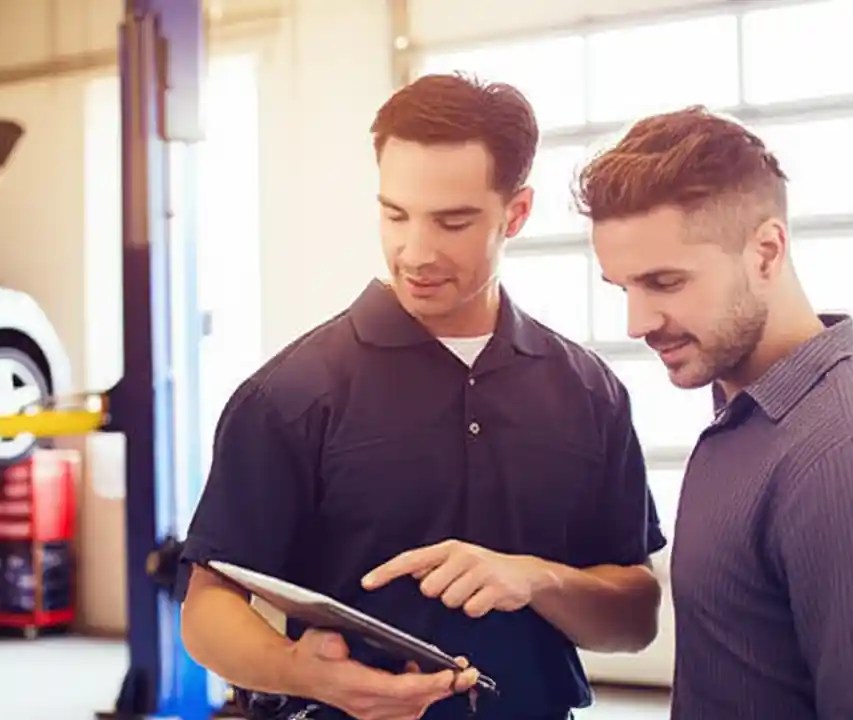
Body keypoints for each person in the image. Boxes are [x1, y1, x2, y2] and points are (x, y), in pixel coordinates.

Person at [176, 73, 666, 720]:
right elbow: (207, 612)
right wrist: (306, 673)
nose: (415, 251)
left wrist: (537, 578)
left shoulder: (588, 393)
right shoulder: (289, 395)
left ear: (515, 213)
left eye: (452, 221)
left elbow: (635, 619)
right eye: (394, 214)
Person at [575, 105, 853, 719]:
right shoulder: (745, 422)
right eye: (623, 287)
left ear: (765, 252)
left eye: (665, 282)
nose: (637, 322)